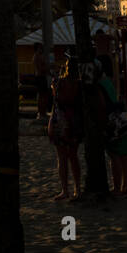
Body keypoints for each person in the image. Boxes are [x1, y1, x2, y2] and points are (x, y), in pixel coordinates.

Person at [48, 60, 83, 201]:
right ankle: (77, 188)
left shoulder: (59, 82)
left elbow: (55, 97)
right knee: (73, 156)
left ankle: (65, 190)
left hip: (60, 121)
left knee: (62, 157)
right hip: (74, 122)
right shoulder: (79, 85)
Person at [97, 68, 127, 197]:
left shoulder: (99, 85)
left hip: (111, 120)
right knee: (124, 153)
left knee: (114, 155)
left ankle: (117, 187)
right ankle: (126, 184)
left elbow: (102, 105)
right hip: (120, 116)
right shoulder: (108, 81)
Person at [34, 48, 52, 121]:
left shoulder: (38, 57)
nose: (42, 50)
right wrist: (48, 69)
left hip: (41, 77)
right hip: (40, 77)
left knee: (43, 95)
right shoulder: (37, 57)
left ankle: (42, 112)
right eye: (40, 48)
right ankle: (41, 113)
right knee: (42, 95)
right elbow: (41, 68)